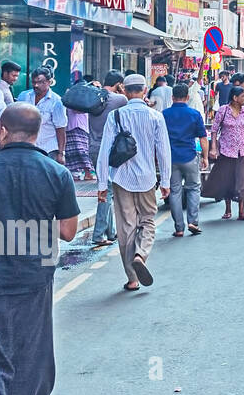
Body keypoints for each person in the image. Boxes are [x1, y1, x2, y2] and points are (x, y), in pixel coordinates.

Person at [0, 104, 80, 395]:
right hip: (34, 280)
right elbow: (68, 231)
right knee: (31, 354)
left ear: (2, 130)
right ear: (37, 135)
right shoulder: (57, 173)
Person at [96, 75, 171, 291]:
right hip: (147, 178)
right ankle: (141, 254)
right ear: (145, 90)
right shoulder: (155, 116)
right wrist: (165, 180)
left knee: (126, 227)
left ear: (125, 92)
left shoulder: (115, 116)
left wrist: (102, 185)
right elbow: (163, 151)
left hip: (121, 179)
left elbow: (104, 152)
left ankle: (132, 278)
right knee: (148, 220)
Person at [204, 85, 244, 221]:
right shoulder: (223, 111)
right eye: (243, 96)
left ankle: (242, 211)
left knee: (243, 180)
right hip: (226, 151)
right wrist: (213, 148)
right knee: (227, 180)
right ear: (235, 98)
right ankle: (228, 209)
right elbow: (214, 130)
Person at [85, 71, 127, 248]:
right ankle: (99, 233)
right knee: (107, 191)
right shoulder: (119, 100)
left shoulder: (92, 97)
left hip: (93, 147)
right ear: (118, 84)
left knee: (106, 187)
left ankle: (110, 231)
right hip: (110, 149)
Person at [163, 83, 208, 236]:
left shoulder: (164, 114)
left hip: (171, 158)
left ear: (172, 97)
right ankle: (192, 222)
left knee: (174, 192)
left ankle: (179, 228)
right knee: (194, 188)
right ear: (187, 97)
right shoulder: (194, 114)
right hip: (189, 156)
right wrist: (206, 158)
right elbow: (203, 138)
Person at [17, 67, 67, 165]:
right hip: (27, 148)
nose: (36, 85)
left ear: (49, 82)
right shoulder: (24, 96)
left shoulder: (56, 102)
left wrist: (61, 153)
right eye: (34, 82)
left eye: (40, 82)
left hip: (48, 150)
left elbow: (60, 129)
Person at [63, 87, 96, 183]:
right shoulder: (73, 101)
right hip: (71, 127)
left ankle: (88, 172)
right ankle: (77, 173)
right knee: (72, 152)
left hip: (80, 127)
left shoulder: (82, 101)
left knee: (82, 151)